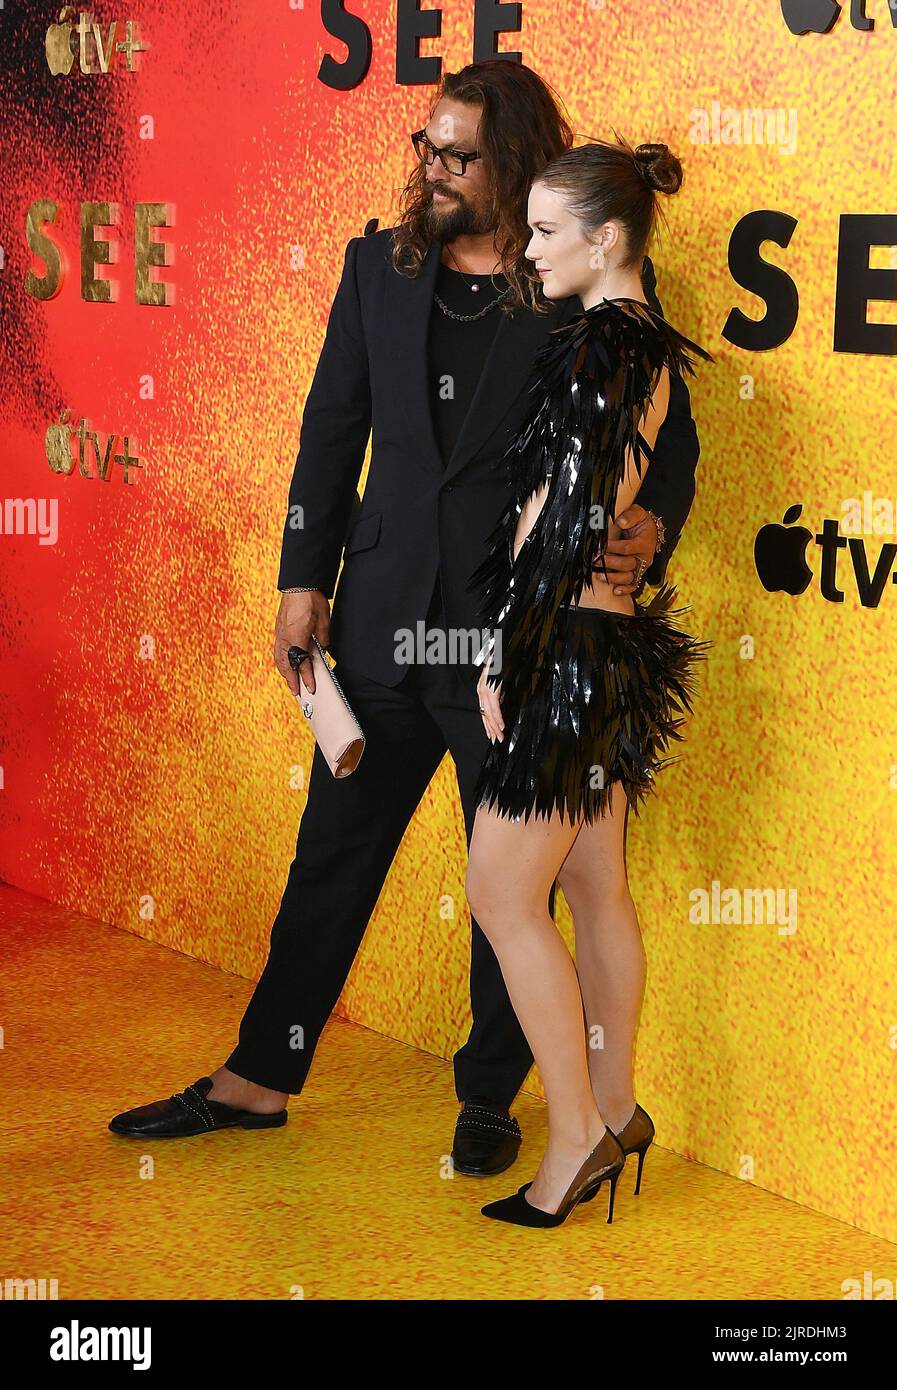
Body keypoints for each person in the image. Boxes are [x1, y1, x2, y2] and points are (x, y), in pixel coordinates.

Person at [108, 64, 703, 1179]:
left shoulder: (576, 268)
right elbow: (330, 429)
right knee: (330, 856)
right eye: (428, 147)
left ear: (516, 160)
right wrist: (302, 576)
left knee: (506, 890)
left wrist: (654, 521)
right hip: (380, 616)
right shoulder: (375, 268)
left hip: (508, 642)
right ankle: (260, 1073)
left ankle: (492, 1096)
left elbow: (669, 435)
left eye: (461, 156)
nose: (434, 170)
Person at [466, 136, 714, 1229]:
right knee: (594, 887)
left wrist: (504, 646)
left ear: (606, 239)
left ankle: (572, 1138)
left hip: (564, 648)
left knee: (502, 894)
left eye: (546, 233)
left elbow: (562, 518)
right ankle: (614, 1107)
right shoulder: (639, 343)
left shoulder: (598, 349)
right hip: (605, 648)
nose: (529, 250)